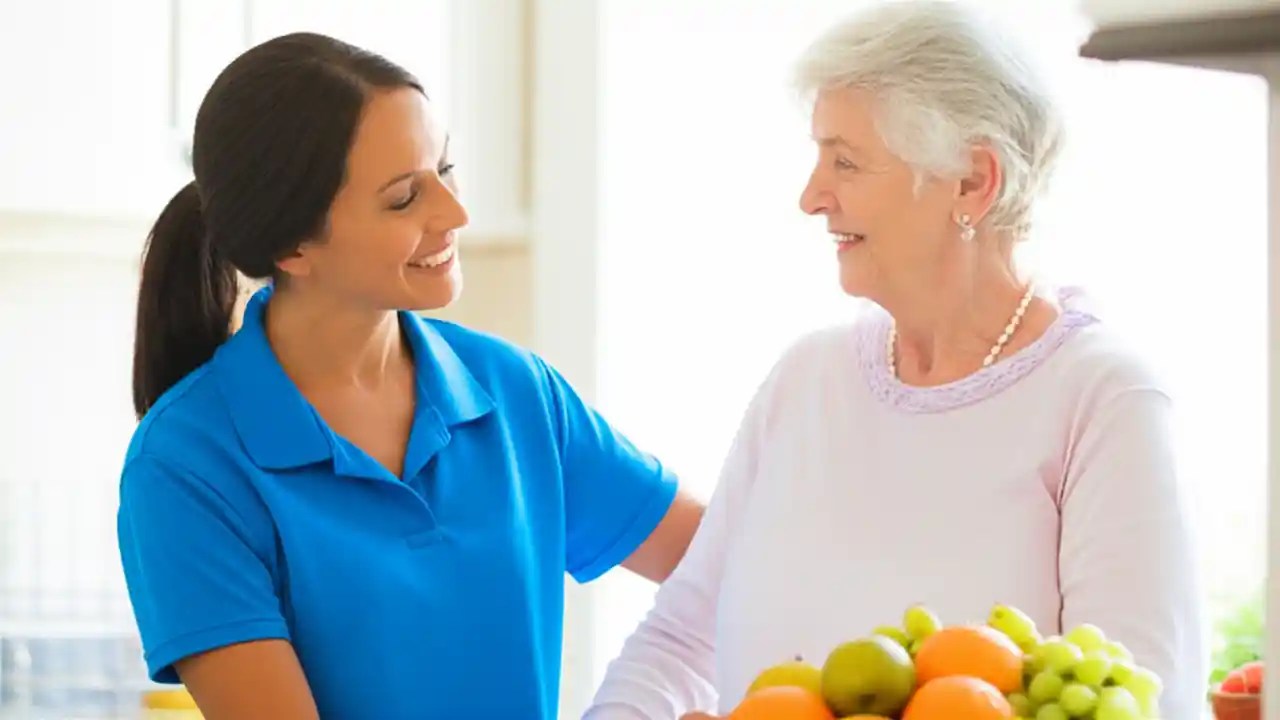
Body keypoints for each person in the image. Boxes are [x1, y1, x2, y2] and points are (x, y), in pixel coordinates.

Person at [582, 2, 1207, 719]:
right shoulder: (806, 379)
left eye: (845, 161)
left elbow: (1143, 696)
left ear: (973, 182)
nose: (811, 197)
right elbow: (681, 643)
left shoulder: (1102, 396)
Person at [117, 32, 703, 720]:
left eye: (446, 169)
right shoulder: (187, 464)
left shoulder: (515, 394)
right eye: (403, 199)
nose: (455, 214)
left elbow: (736, 568)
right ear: (292, 245)